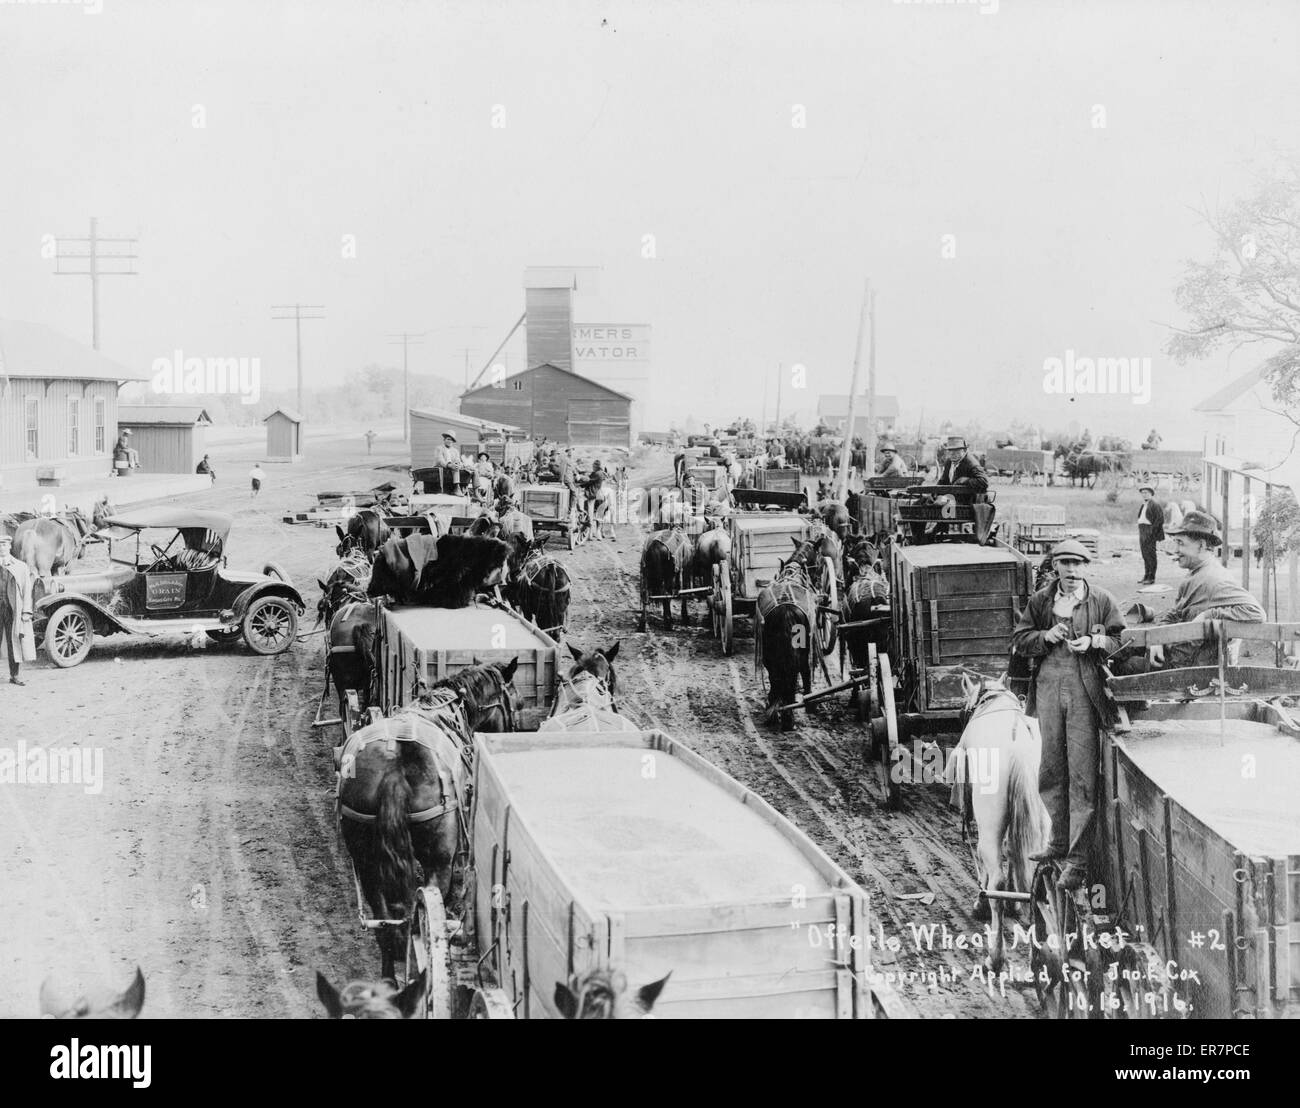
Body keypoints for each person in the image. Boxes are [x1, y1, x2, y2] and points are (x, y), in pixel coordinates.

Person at [1011, 539, 1125, 891]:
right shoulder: (1041, 601)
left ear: (1085, 567)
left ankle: (1077, 861)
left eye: (1078, 564)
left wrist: (1095, 643)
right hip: (1047, 687)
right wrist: (1045, 635)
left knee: (1081, 775)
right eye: (1065, 564)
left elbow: (1122, 641)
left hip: (1083, 689)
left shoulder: (1101, 600)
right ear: (1055, 566)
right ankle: (1057, 842)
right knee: (1050, 768)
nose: (1072, 571)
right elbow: (1020, 639)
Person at [1117, 510, 1265, 674]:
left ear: (1201, 545)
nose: (1176, 550)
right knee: (1120, 648)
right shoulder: (1195, 574)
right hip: (1173, 654)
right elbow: (1175, 613)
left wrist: (1208, 615)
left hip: (1188, 670)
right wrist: (1157, 639)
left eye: (1181, 543)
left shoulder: (1215, 579)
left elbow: (1257, 613)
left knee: (1123, 667)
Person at [0, 533, 34, 687]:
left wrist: (26, 611)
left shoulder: (20, 566)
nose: (1, 548)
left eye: (4, 545)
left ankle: (15, 675)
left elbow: (27, 590)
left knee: (14, 643)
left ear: (9, 546)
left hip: (13, 610)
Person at [1136, 483, 1165, 585]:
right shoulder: (1144, 505)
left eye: (1146, 493)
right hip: (1142, 530)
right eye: (1142, 493)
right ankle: (1146, 575)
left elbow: (1160, 520)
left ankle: (1151, 577)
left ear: (1151, 494)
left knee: (1151, 555)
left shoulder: (1155, 505)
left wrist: (1152, 532)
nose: (1144, 495)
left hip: (1149, 531)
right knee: (1145, 555)